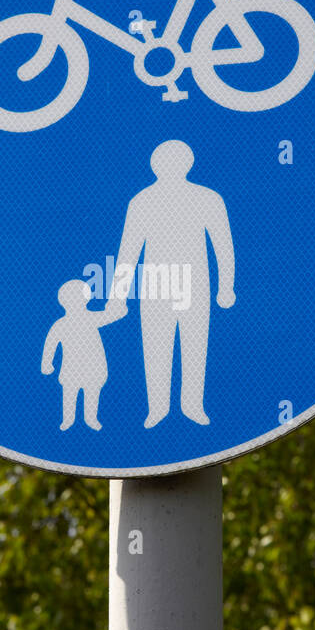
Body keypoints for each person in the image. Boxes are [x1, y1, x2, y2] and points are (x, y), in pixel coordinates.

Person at [104, 141, 235, 427]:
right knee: (155, 348)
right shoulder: (142, 201)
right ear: (155, 165)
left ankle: (193, 406)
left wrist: (226, 287)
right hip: (155, 287)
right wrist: (118, 296)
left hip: (195, 285)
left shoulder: (207, 198)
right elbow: (129, 251)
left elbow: (223, 245)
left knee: (195, 345)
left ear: (187, 164)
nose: (170, 167)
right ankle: (157, 409)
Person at [41, 278, 113, 431]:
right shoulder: (61, 324)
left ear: (85, 300)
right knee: (69, 393)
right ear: (63, 302)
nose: (74, 303)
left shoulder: (92, 317)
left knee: (92, 393)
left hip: (93, 367)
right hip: (71, 369)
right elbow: (50, 344)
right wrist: (47, 363)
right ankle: (68, 420)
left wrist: (118, 309)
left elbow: (111, 315)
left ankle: (91, 419)